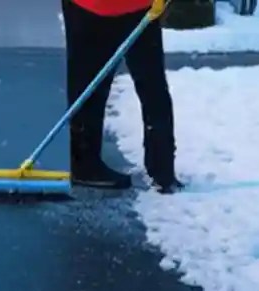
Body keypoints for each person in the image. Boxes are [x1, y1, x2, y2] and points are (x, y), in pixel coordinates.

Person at [61, 0, 183, 193]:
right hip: (137, 6)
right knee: (151, 83)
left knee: (87, 82)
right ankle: (162, 168)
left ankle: (84, 163)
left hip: (89, 7)